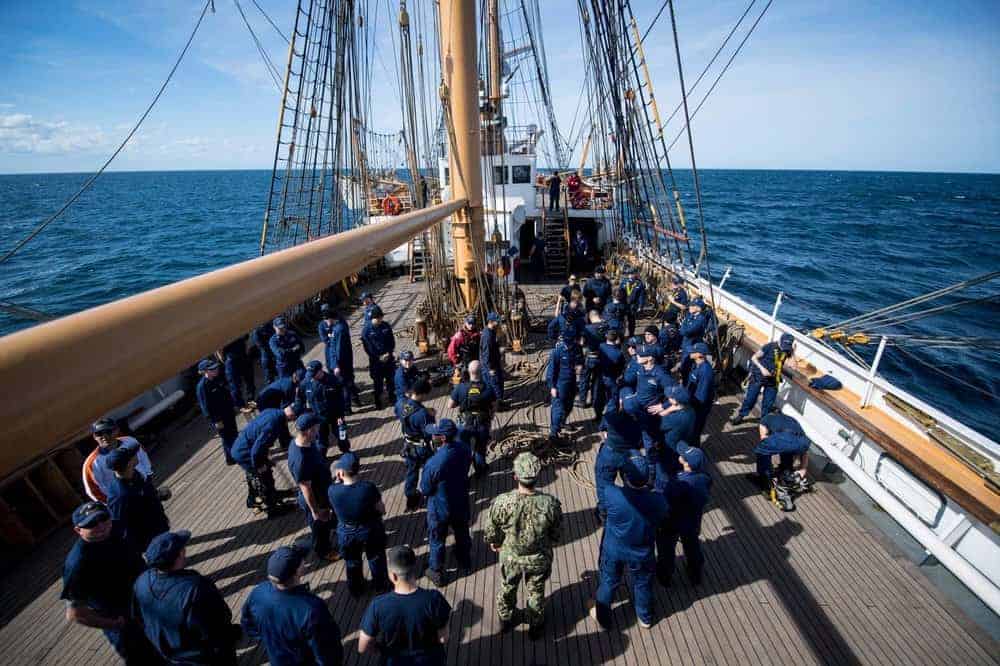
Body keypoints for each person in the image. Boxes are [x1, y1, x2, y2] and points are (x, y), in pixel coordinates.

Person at [61, 501, 162, 664]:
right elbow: (75, 613)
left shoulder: (117, 529)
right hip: (128, 627)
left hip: (153, 607)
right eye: (91, 524)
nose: (101, 525)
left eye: (103, 518)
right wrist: (115, 624)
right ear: (78, 530)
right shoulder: (78, 564)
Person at [484, 452, 563, 638]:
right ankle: (535, 626)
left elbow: (491, 530)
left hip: (511, 556)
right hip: (538, 557)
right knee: (536, 591)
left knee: (508, 586)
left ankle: (505, 619)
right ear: (537, 476)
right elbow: (556, 534)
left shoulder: (502, 502)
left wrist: (496, 544)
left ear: (515, 476)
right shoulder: (550, 504)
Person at [133, 531, 240, 664]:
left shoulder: (141, 582)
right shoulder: (196, 588)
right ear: (179, 555)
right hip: (203, 658)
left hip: (170, 656)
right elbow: (219, 624)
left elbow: (139, 617)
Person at [590, 454, 667, 629]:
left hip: (614, 548)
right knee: (642, 583)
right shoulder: (657, 501)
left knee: (609, 581)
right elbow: (662, 517)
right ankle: (645, 617)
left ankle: (603, 617)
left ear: (624, 476)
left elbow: (603, 504)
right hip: (641, 551)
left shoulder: (612, 494)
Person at [241, 545, 344, 666]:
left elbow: (248, 624)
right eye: (301, 560)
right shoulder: (312, 610)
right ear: (297, 572)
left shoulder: (258, 592)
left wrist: (271, 639)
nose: (304, 561)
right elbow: (328, 653)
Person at [358, 545, 452, 664]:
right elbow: (443, 638)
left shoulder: (378, 605)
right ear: (414, 570)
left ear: (393, 576)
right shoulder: (434, 599)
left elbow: (362, 646)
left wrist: (379, 649)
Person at [419, 419, 472, 586]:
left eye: (434, 434)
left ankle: (436, 571)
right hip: (461, 499)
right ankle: (464, 559)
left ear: (441, 438)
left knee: (437, 539)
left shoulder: (434, 463)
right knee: (462, 530)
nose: (432, 435)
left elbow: (425, 489)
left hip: (440, 506)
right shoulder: (464, 448)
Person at [328, 452, 390, 596]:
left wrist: (337, 481)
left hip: (347, 532)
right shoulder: (368, 488)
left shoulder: (332, 491)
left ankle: (356, 588)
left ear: (341, 472)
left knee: (351, 561)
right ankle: (380, 585)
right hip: (370, 529)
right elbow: (382, 509)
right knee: (375, 557)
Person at [656, 445, 712, 587]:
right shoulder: (705, 478)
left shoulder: (678, 483)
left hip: (672, 521)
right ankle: (695, 575)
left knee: (666, 549)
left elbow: (665, 500)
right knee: (692, 546)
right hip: (692, 520)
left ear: (687, 464)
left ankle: (665, 576)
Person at [287, 412, 339, 562]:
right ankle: (323, 551)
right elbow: (306, 488)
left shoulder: (306, 442)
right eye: (316, 427)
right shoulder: (301, 460)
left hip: (322, 490)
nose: (318, 428)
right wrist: (315, 510)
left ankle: (331, 528)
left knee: (327, 519)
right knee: (319, 526)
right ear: (308, 430)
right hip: (315, 498)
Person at [105, 440, 170, 556]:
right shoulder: (119, 495)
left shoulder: (135, 474)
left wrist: (158, 496)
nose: (136, 455)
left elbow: (144, 497)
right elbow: (119, 524)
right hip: (147, 538)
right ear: (129, 462)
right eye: (133, 455)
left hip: (158, 525)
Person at [231, 408, 294, 518]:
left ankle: (253, 500)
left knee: (253, 475)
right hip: (247, 453)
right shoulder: (275, 423)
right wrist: (260, 466)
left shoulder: (272, 411)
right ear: (291, 417)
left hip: (240, 447)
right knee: (265, 478)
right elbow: (257, 450)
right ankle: (272, 509)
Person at [83, 418, 155, 503]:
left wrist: (149, 479)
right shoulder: (91, 463)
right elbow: (92, 490)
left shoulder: (130, 441)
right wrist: (113, 502)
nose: (104, 436)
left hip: (146, 489)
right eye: (99, 433)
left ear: (117, 430)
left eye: (108, 431)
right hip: (124, 502)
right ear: (94, 437)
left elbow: (144, 458)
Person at [731, 333, 798, 425]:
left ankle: (764, 421)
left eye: (786, 347)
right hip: (759, 376)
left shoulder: (787, 350)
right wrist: (762, 369)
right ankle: (741, 415)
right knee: (750, 398)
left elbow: (794, 367)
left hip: (773, 380)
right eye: (783, 345)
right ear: (779, 341)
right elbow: (754, 358)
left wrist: (793, 352)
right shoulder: (769, 347)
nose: (784, 349)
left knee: (768, 402)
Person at [449, 360, 497, 478]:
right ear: (481, 372)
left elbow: (450, 405)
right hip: (482, 423)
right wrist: (491, 414)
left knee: (463, 449)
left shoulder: (461, 388)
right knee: (480, 449)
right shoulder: (488, 388)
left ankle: (463, 474)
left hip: (465, 423)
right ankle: (480, 471)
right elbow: (495, 404)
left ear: (468, 372)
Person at [395, 379, 436, 511]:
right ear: (422, 394)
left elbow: (404, 415)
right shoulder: (423, 415)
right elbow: (429, 433)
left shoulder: (403, 405)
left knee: (411, 473)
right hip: (421, 448)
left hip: (408, 446)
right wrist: (432, 417)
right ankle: (428, 493)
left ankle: (411, 499)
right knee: (427, 471)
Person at [749, 413, 813, 496]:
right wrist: (803, 469)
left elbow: (763, 437)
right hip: (803, 442)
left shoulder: (765, 419)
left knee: (761, 450)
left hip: (783, 437)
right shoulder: (791, 418)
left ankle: (764, 479)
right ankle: (785, 472)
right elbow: (804, 451)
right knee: (788, 450)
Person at [594, 408, 641, 521]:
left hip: (610, 454)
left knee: (604, 485)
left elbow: (602, 427)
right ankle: (629, 506)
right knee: (631, 483)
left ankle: (604, 513)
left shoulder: (611, 417)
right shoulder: (638, 421)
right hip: (629, 455)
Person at [647, 385, 696, 481]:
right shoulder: (691, 410)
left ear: (676, 401)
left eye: (670, 397)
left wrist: (665, 412)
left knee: (665, 468)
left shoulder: (675, 419)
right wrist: (671, 408)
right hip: (683, 441)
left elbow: (659, 426)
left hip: (670, 447)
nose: (668, 397)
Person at [195, 358, 238, 465]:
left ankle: (233, 457)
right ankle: (233, 458)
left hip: (228, 413)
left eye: (215, 367)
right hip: (219, 418)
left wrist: (234, 406)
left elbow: (226, 394)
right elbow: (205, 407)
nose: (216, 370)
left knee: (233, 434)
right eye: (212, 369)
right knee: (227, 437)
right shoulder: (202, 387)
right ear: (205, 371)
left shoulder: (217, 379)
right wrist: (216, 421)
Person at [320, 304, 361, 412]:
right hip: (344, 360)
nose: (326, 323)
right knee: (349, 381)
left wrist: (337, 365)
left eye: (326, 320)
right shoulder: (338, 327)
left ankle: (347, 408)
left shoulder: (339, 330)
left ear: (330, 318)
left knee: (344, 384)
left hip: (342, 362)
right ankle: (355, 399)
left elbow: (339, 349)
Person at [301, 360, 349, 453]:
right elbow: (300, 395)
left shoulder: (333, 381)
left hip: (335, 415)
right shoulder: (307, 382)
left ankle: (346, 452)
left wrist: (340, 414)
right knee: (320, 440)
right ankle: (322, 456)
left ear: (320, 371)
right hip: (319, 417)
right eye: (311, 375)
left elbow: (341, 399)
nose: (312, 377)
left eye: (314, 374)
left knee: (342, 435)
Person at [546, 328, 582, 444]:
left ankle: (562, 422)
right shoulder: (557, 352)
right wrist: (552, 387)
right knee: (558, 408)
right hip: (560, 384)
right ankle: (554, 433)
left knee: (569, 405)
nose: (572, 343)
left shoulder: (577, 348)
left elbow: (580, 359)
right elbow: (551, 371)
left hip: (571, 381)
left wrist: (580, 366)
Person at [362, 306, 397, 409]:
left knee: (390, 379)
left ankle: (392, 397)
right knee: (378, 383)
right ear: (372, 318)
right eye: (378, 318)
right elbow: (368, 348)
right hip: (376, 362)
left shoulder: (385, 326)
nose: (380, 320)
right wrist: (378, 357)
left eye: (381, 318)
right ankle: (378, 402)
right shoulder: (366, 331)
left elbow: (391, 341)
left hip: (388, 359)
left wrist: (389, 353)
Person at [685, 342, 716, 444]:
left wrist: (688, 405)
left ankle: (694, 453)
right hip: (693, 401)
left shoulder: (706, 371)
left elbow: (702, 396)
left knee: (694, 431)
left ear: (700, 355)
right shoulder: (697, 364)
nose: (690, 352)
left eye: (693, 351)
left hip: (698, 407)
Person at [594, 330, 626, 423]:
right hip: (612, 379)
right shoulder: (618, 353)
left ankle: (598, 416)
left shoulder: (601, 347)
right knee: (612, 400)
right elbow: (621, 367)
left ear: (606, 337)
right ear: (616, 339)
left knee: (598, 397)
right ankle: (608, 419)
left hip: (600, 377)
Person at [578, 310, 608, 407]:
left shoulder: (587, 328)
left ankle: (582, 400)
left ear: (590, 318)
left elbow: (582, 343)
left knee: (584, 378)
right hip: (602, 357)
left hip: (590, 357)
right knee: (597, 380)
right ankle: (595, 400)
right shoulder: (606, 326)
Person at [220, 334, 256, 412]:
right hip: (231, 360)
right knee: (235, 385)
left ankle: (251, 400)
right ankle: (241, 406)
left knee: (249, 379)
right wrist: (226, 361)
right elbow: (218, 350)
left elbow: (245, 339)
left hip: (243, 356)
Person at [480, 312, 506, 407]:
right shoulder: (487, 336)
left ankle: (493, 402)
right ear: (491, 322)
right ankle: (499, 405)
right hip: (491, 366)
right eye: (497, 322)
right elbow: (486, 354)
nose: (498, 323)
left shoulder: (491, 331)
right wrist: (490, 369)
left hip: (494, 363)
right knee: (496, 385)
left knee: (494, 384)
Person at [677, 298, 708, 377]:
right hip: (686, 343)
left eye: (692, 305)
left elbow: (686, 331)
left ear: (698, 308)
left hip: (692, 345)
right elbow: (683, 328)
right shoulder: (691, 315)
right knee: (684, 361)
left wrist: (683, 327)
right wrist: (684, 327)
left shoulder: (700, 319)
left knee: (686, 364)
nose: (689, 307)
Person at [446, 315, 481, 379]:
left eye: (473, 323)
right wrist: (456, 362)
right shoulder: (459, 335)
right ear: (465, 323)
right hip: (464, 364)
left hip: (475, 364)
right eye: (469, 323)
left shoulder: (477, 335)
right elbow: (451, 351)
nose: (471, 326)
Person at [620, 267, 645, 338]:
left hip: (633, 305)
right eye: (629, 274)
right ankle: (622, 334)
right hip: (624, 304)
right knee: (622, 320)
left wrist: (640, 306)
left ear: (635, 274)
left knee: (631, 321)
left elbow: (641, 296)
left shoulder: (639, 283)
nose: (630, 275)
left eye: (632, 274)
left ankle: (631, 334)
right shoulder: (624, 282)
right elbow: (620, 292)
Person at [252, 320, 278, 385]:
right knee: (267, 367)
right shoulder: (256, 332)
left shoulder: (269, 325)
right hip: (266, 351)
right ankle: (270, 382)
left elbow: (274, 334)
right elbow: (260, 345)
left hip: (272, 348)